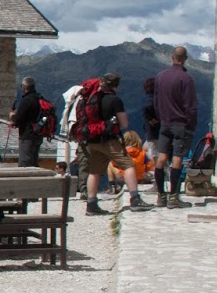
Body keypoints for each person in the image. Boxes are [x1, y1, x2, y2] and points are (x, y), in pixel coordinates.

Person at [82, 73, 150, 215]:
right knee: (128, 165)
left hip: (92, 139)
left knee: (94, 171)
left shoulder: (91, 99)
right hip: (109, 140)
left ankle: (91, 204)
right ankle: (135, 199)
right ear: (116, 86)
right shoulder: (114, 100)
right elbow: (124, 123)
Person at [153, 46, 201, 209]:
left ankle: (161, 196)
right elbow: (190, 105)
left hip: (165, 122)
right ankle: (174, 196)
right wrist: (191, 124)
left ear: (172, 57)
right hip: (181, 124)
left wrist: (161, 118)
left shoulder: (160, 76)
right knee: (177, 158)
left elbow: (156, 101)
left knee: (161, 157)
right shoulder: (186, 79)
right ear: (185, 58)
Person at [10, 77, 44, 168]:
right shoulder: (39, 98)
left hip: (27, 135)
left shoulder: (27, 100)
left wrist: (12, 116)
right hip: (38, 134)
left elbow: (18, 119)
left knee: (25, 163)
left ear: (24, 87)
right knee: (34, 162)